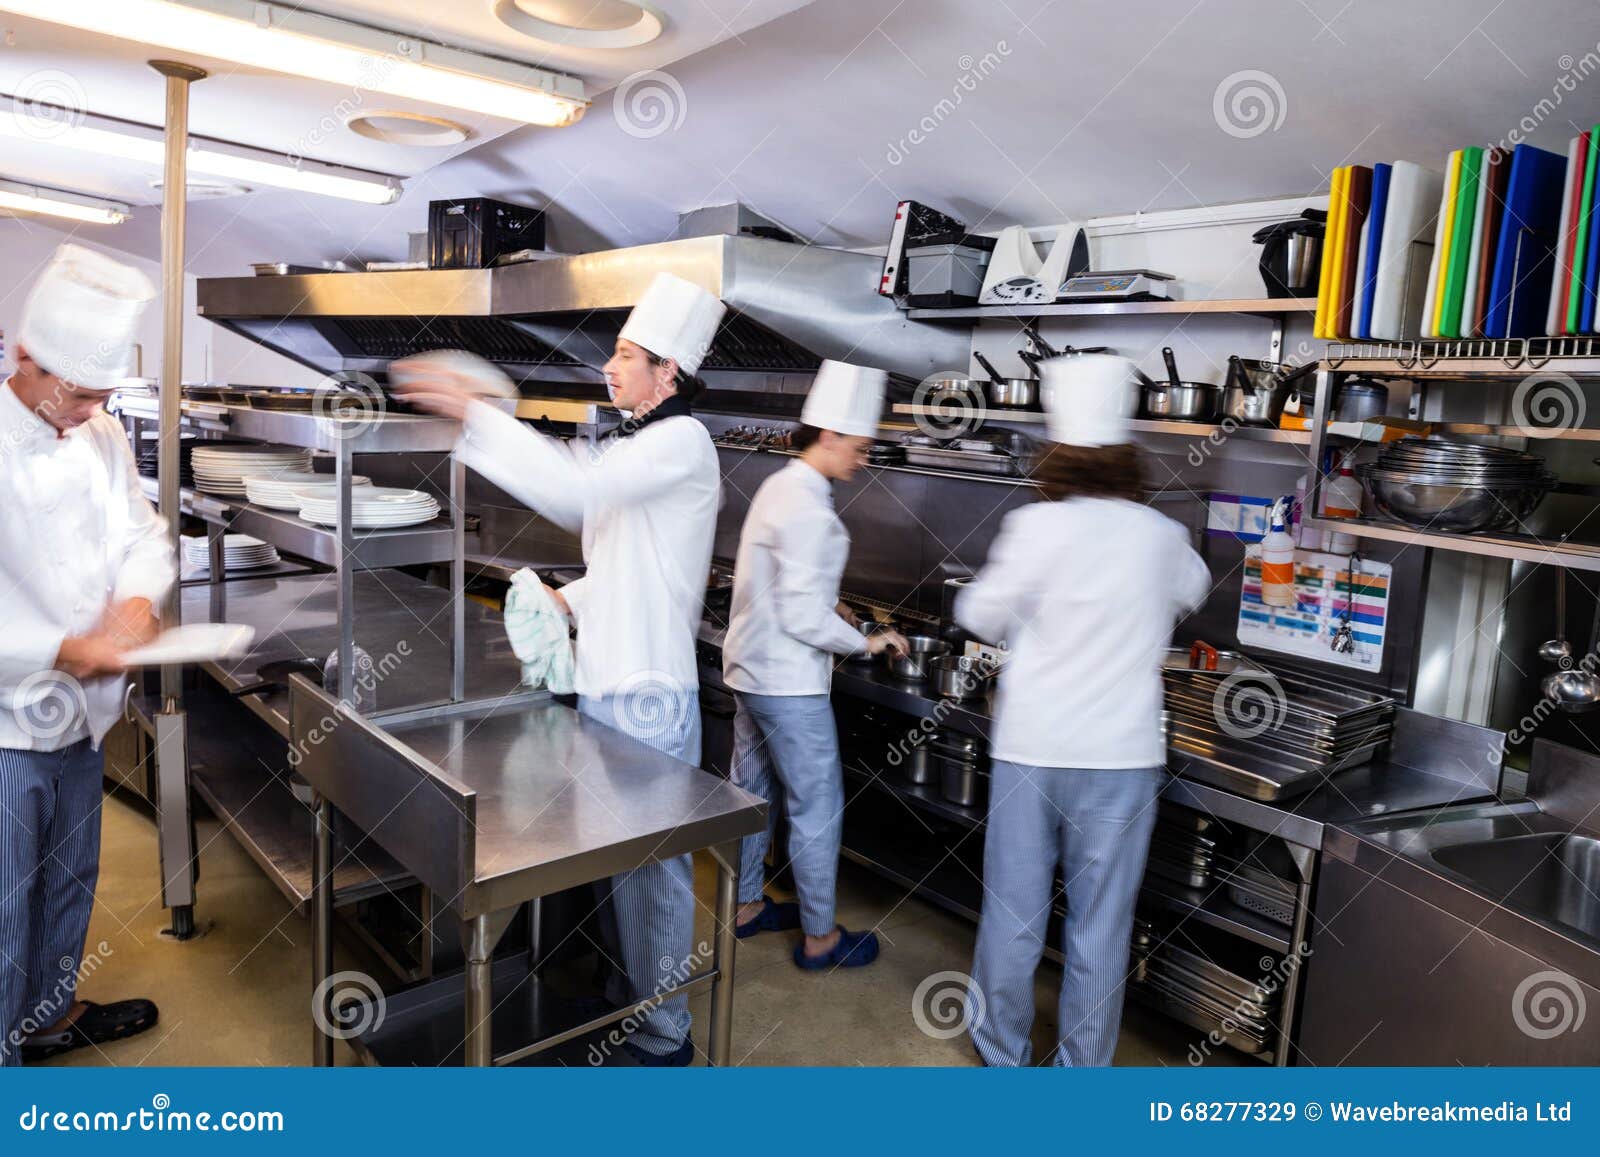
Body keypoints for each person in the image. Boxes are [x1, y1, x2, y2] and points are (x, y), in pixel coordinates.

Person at [391, 271, 725, 1067]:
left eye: (626, 354)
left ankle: (665, 1036)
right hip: (609, 681)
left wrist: (476, 411)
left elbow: (576, 493)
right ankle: (627, 997)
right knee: (616, 866)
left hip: (646, 692)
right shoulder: (641, 441)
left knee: (651, 872)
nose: (609, 366)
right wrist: (563, 599)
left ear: (668, 372)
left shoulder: (684, 441)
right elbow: (623, 563)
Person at [955, 353, 1210, 1067]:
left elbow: (976, 612)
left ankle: (1002, 1054)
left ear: (1057, 452)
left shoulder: (1036, 525)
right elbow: (1193, 589)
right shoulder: (1160, 534)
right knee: (1101, 926)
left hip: (1034, 746)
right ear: (1127, 456)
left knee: (1014, 915)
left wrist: (1033, 615)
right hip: (1121, 756)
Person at [1, 243, 176, 1064]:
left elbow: (145, 534)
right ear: (22, 356)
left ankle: (46, 1015)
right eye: (74, 393)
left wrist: (138, 600)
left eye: (101, 396)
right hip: (7, 727)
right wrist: (64, 649)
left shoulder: (101, 433)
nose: (86, 411)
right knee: (6, 901)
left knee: (69, 880)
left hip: (82, 722)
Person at [722, 360, 908, 969]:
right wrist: (866, 643)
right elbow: (802, 614)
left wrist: (836, 606)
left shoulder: (782, 485)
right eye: (861, 445)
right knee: (816, 805)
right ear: (829, 434)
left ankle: (746, 905)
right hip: (788, 684)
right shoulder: (814, 512)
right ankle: (822, 938)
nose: (865, 458)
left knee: (752, 792)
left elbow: (787, 582)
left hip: (749, 670)